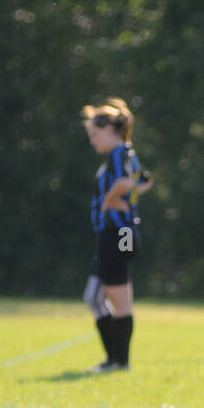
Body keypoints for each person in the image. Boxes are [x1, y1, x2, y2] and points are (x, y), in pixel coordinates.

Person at [81, 98, 152, 372]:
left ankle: (120, 361)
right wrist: (127, 195)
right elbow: (144, 180)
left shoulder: (119, 152)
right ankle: (113, 358)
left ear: (110, 129)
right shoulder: (123, 154)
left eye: (95, 134)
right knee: (93, 297)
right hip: (110, 234)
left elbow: (127, 182)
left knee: (118, 300)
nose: (92, 140)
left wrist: (110, 199)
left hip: (118, 233)